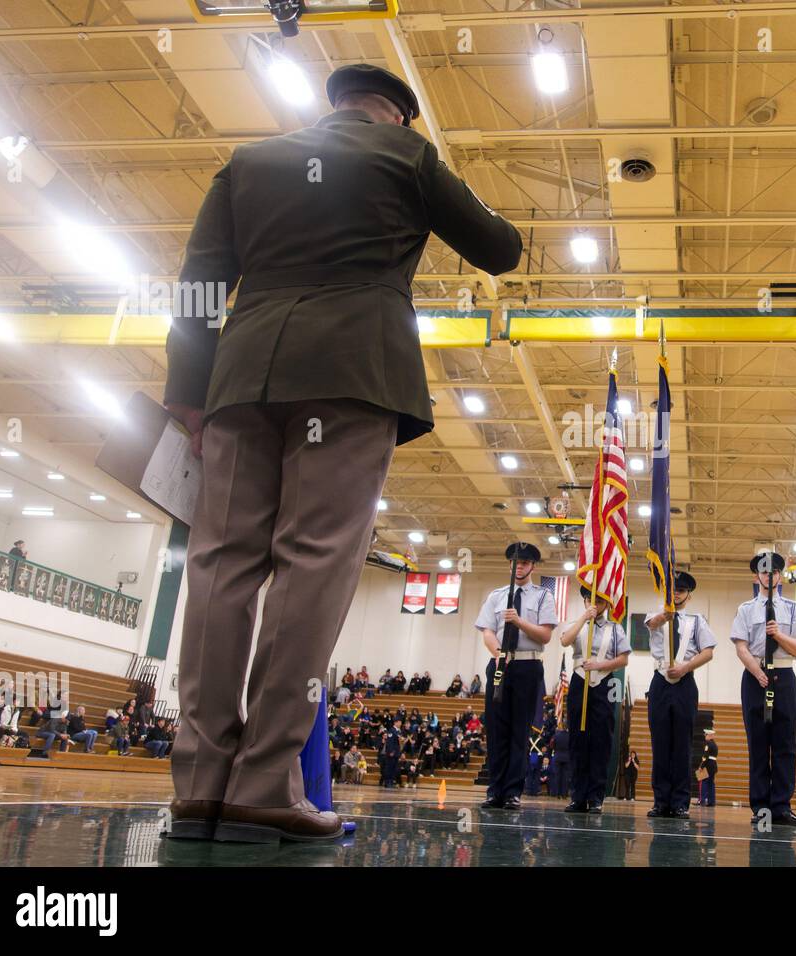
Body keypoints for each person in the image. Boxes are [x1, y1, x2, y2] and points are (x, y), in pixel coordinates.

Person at [163, 61, 521, 844]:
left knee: (220, 565)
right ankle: (263, 786)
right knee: (311, 563)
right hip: (353, 375)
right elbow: (501, 249)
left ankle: (197, 788)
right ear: (397, 115)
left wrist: (188, 389)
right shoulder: (407, 157)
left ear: (331, 108)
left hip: (240, 379)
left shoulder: (250, 162)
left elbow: (197, 283)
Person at [476, 543, 558, 810]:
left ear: (533, 566)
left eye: (524, 562)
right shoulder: (496, 596)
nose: (519, 566)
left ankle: (513, 791)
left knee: (519, 731)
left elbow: (545, 635)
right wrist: (497, 652)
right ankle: (494, 790)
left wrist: (519, 621)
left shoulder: (543, 596)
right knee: (497, 729)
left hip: (527, 665)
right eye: (515, 561)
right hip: (500, 664)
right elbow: (487, 630)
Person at [731, 551, 796, 828]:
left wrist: (779, 634)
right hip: (755, 677)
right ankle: (761, 807)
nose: (768, 575)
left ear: (779, 575)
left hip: (784, 676)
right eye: (763, 571)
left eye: (774, 571)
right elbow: (741, 646)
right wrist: (757, 672)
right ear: (757, 576)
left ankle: (782, 806)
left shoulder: (793, 609)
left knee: (786, 744)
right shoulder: (745, 609)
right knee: (758, 744)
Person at [644, 570, 716, 819]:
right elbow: (651, 625)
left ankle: (680, 802)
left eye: (681, 591)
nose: (676, 594)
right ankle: (660, 801)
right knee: (660, 743)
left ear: (689, 595)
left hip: (685, 682)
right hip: (660, 682)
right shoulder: (656, 614)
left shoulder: (697, 620)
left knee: (683, 745)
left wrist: (686, 667)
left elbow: (708, 651)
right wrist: (666, 614)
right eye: (673, 590)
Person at [560, 588, 631, 814]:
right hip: (579, 680)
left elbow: (623, 659)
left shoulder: (615, 628)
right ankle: (578, 796)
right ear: (584, 601)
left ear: (607, 603)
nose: (596, 604)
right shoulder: (577, 624)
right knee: (577, 740)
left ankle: (596, 797)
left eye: (600, 600)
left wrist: (599, 666)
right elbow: (564, 641)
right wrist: (583, 618)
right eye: (591, 599)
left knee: (601, 739)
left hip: (605, 683)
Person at [698, 729, 718, 807]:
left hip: (708, 766)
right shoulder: (715, 744)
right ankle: (711, 802)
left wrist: (701, 766)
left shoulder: (708, 744)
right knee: (711, 784)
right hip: (713, 766)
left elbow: (705, 757)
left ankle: (702, 801)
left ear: (709, 736)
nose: (705, 736)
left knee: (704, 783)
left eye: (706, 735)